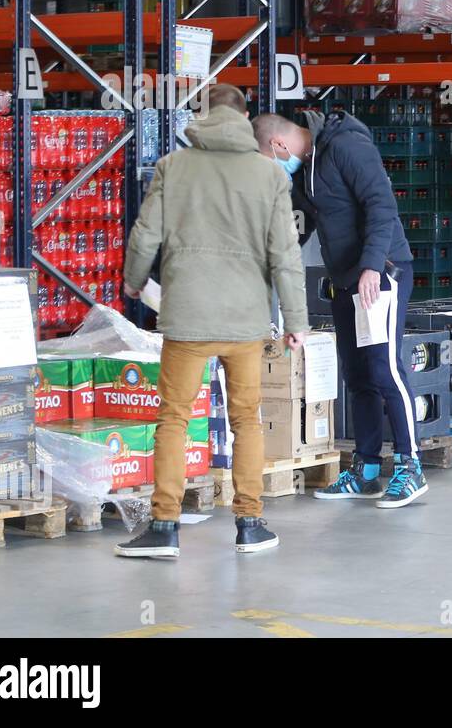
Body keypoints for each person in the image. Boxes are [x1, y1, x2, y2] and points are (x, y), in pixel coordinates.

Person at [116, 83, 308, 559]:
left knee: (174, 419)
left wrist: (134, 282)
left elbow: (145, 236)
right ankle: (250, 523)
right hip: (244, 323)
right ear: (245, 120)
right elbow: (285, 257)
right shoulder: (269, 177)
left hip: (187, 320)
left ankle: (164, 527)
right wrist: (296, 321)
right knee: (246, 419)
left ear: (203, 117)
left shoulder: (173, 167)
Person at [252, 110, 425, 508]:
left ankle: (409, 466)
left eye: (271, 158)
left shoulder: (347, 145)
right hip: (346, 277)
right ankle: (365, 470)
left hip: (381, 272)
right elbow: (303, 220)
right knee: (357, 372)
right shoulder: (308, 166)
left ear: (278, 145)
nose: (277, 166)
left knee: (384, 367)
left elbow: (381, 206)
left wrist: (371, 266)